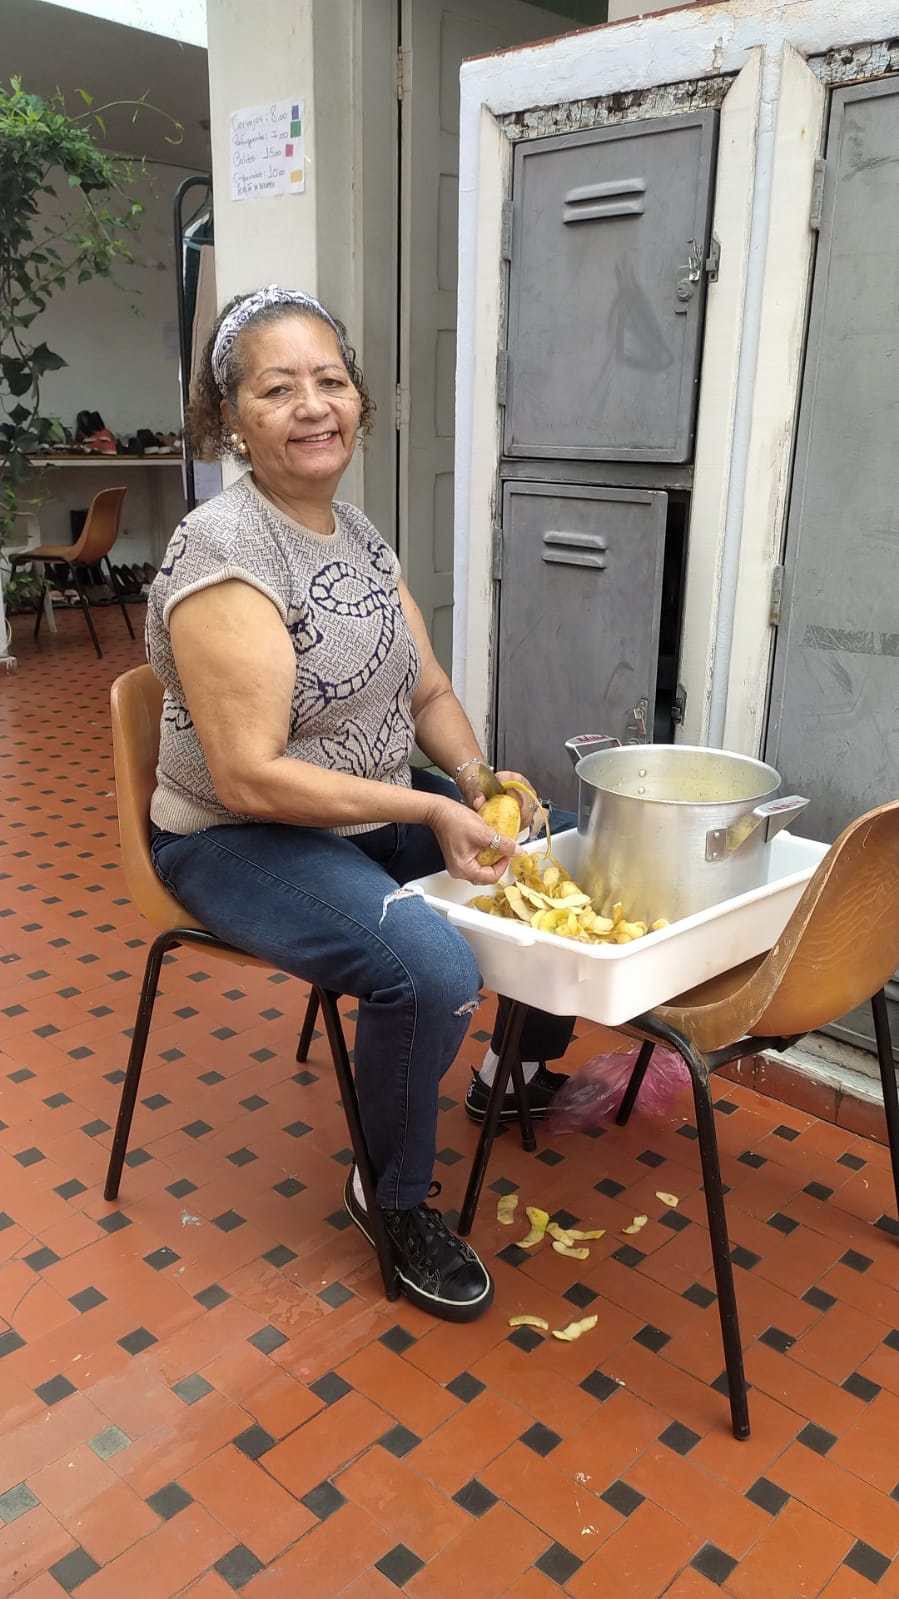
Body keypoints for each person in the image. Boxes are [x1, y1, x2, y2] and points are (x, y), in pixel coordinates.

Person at [145, 284, 574, 1325]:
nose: (311, 406)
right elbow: (246, 772)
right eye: (276, 387)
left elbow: (423, 689)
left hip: (363, 804)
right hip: (236, 835)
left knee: (541, 865)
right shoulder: (226, 551)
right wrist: (425, 813)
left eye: (329, 381)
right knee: (426, 968)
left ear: (358, 400)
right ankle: (390, 1198)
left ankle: (513, 1075)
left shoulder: (357, 533)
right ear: (231, 418)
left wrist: (472, 780)